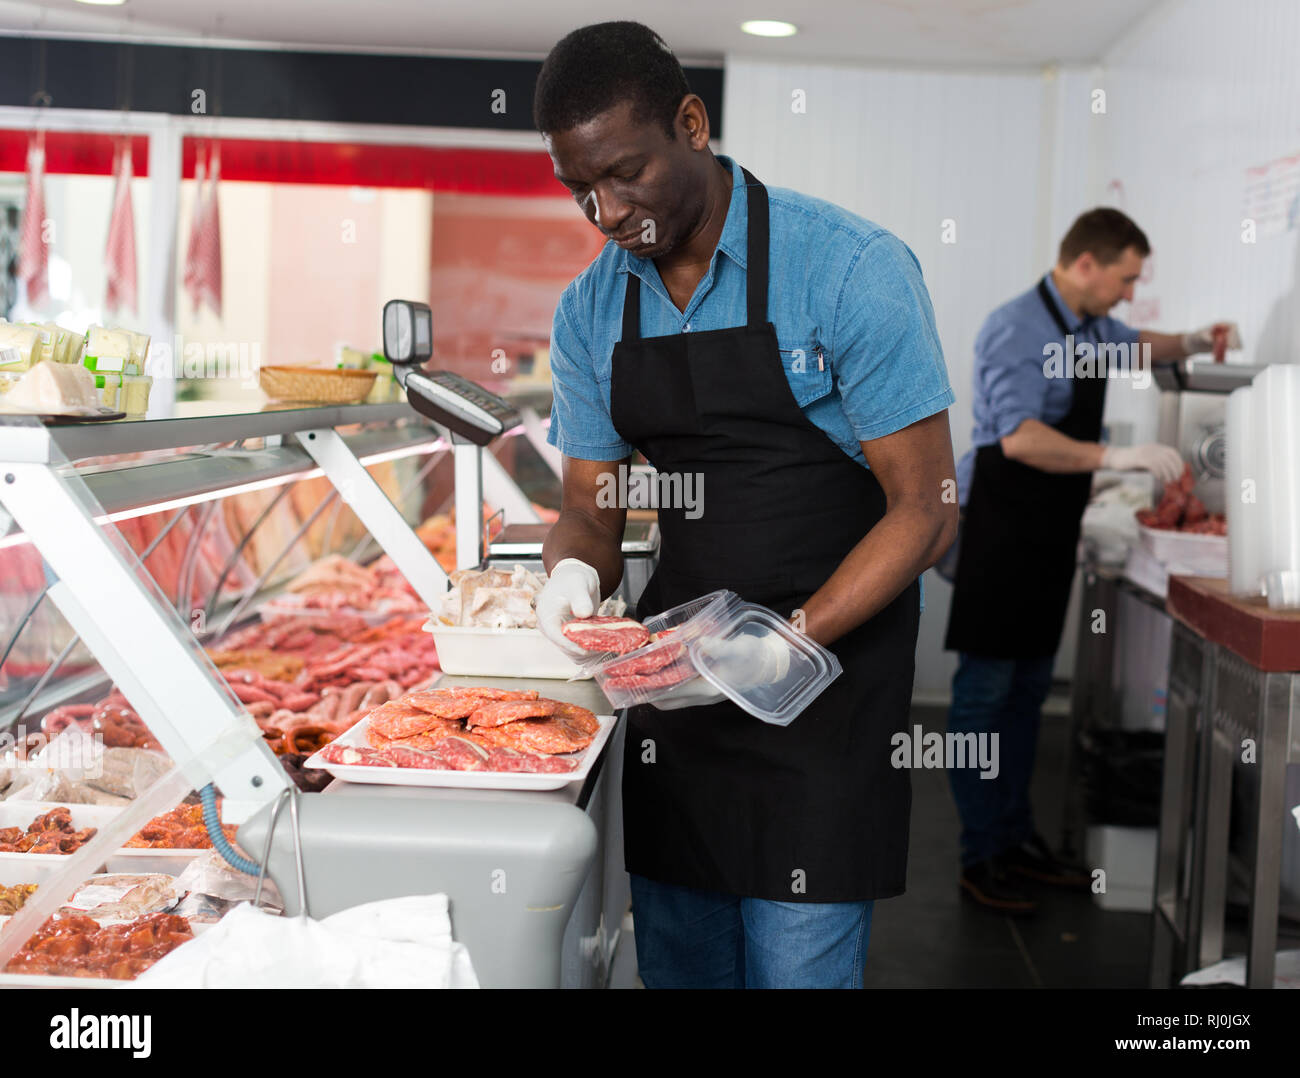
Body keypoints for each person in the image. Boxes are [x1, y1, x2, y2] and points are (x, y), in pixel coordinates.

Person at [529, 21, 958, 989]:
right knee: (680, 966)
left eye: (625, 173)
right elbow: (593, 515)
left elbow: (927, 510)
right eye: (578, 189)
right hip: (680, 696)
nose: (604, 212)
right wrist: (564, 579)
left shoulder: (848, 270)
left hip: (826, 691)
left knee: (796, 971)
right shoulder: (590, 311)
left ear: (692, 123)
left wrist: (784, 644)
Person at [942, 207, 1240, 914]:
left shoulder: (1092, 329)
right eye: (1126, 278)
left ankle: (1017, 842)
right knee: (983, 698)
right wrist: (1118, 455)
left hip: (1047, 531)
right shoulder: (1019, 326)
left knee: (1027, 694)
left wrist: (1193, 340)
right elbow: (1019, 439)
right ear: (1086, 264)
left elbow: (1139, 346)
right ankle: (980, 854)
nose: (1130, 293)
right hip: (1001, 528)